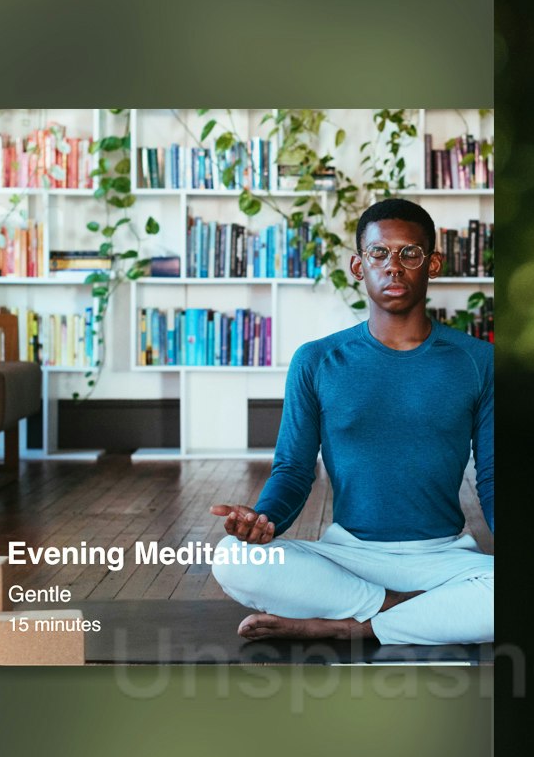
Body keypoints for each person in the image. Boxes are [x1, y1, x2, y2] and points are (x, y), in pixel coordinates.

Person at [208, 198, 496, 649]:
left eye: (410, 254)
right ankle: (404, 611)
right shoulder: (317, 360)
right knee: (231, 558)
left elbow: (493, 477)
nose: (394, 268)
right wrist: (263, 522)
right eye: (379, 254)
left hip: (442, 556)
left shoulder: (479, 361)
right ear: (359, 267)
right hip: (347, 556)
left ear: (433, 264)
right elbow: (294, 471)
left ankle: (349, 626)